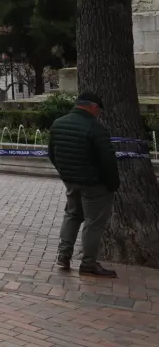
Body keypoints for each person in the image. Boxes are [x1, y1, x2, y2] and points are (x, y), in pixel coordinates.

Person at [47, 91, 120, 278]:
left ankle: (64, 256)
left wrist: (66, 174)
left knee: (72, 215)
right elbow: (107, 161)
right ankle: (88, 264)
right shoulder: (96, 129)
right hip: (95, 185)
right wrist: (113, 184)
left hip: (71, 181)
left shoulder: (58, 124)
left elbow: (52, 154)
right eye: (98, 110)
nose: (98, 114)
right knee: (93, 223)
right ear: (93, 107)